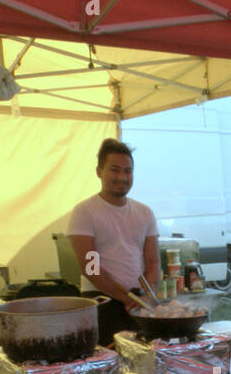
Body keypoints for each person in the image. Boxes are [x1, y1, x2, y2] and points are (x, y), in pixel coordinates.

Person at [67, 138, 162, 345]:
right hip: (102, 300)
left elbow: (153, 262)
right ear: (99, 171)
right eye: (115, 170)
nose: (122, 177)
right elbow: (90, 267)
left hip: (139, 301)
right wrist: (126, 298)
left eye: (128, 171)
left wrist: (147, 295)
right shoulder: (85, 212)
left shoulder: (144, 212)